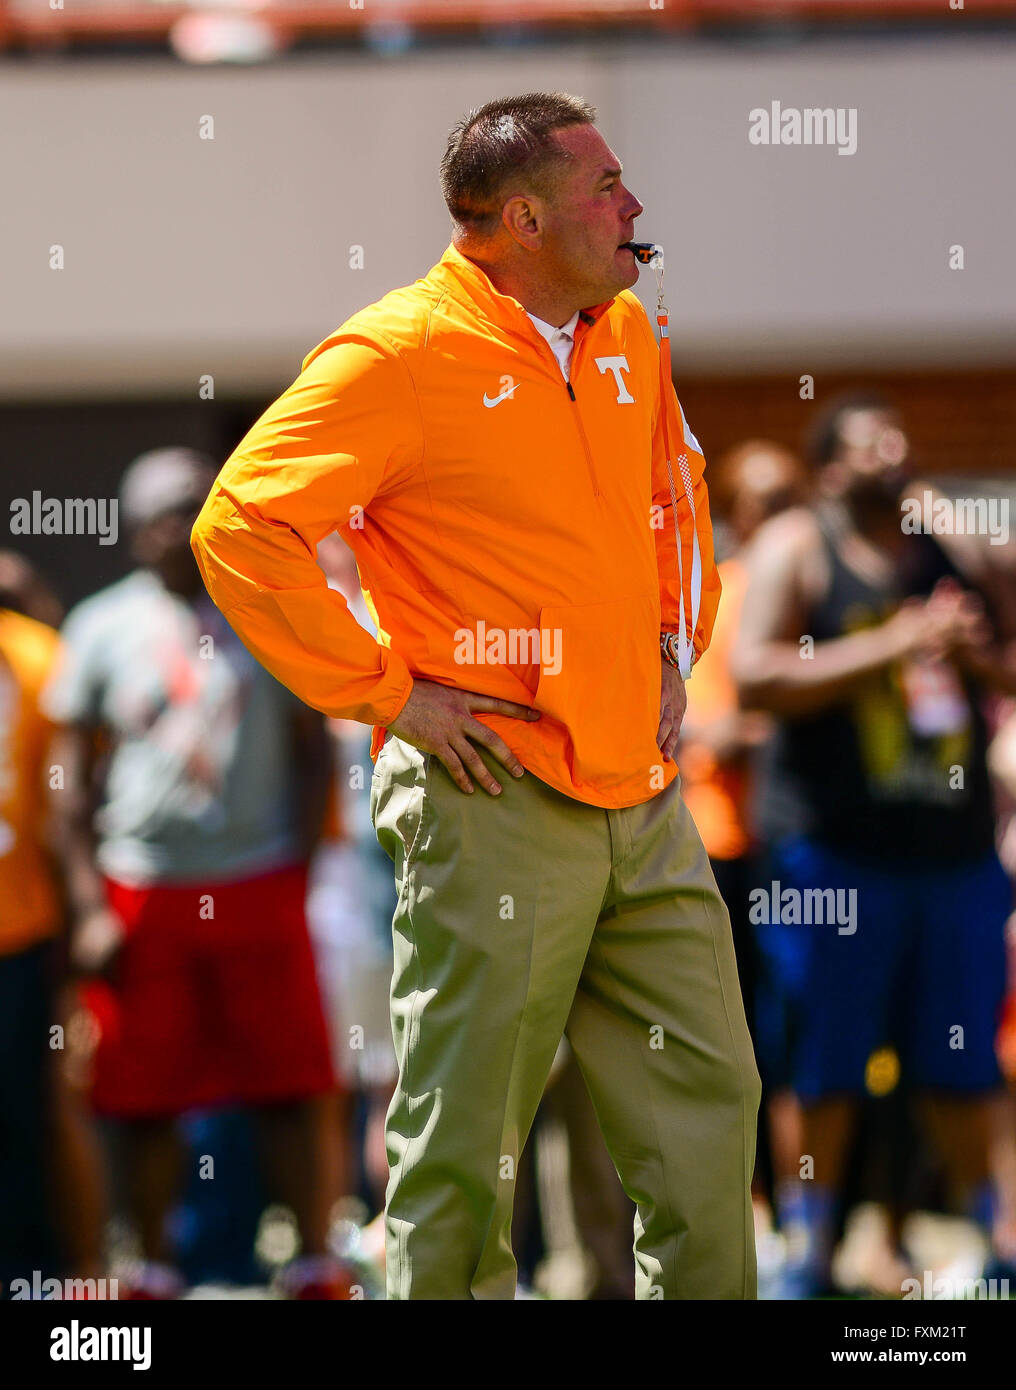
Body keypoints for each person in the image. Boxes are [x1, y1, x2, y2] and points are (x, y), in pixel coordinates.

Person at [192, 92, 761, 1300]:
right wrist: (389, 695)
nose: (633, 205)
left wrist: (673, 639)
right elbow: (241, 525)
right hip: (488, 791)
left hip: (644, 795)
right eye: (606, 185)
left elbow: (677, 494)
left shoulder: (625, 332)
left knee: (708, 1110)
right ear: (520, 217)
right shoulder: (394, 353)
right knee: (463, 1145)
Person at [44, 448, 347, 1299]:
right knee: (142, 1091)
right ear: (134, 529)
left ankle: (316, 1261)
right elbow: (65, 786)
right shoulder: (101, 626)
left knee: (290, 1079)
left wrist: (298, 865)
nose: (178, 526)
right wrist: (87, 904)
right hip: (143, 887)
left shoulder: (262, 610)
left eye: (194, 506)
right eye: (162, 512)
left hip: (257, 881)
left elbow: (313, 753)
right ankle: (147, 1267)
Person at [731, 394, 1016, 1295]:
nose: (891, 453)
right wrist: (893, 643)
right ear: (827, 470)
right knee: (826, 1060)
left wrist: (969, 651)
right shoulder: (799, 548)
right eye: (866, 444)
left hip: (953, 854)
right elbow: (755, 676)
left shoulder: (947, 547)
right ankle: (806, 1252)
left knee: (958, 1059)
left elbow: (1010, 653)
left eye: (897, 439)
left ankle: (994, 1239)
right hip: (834, 853)